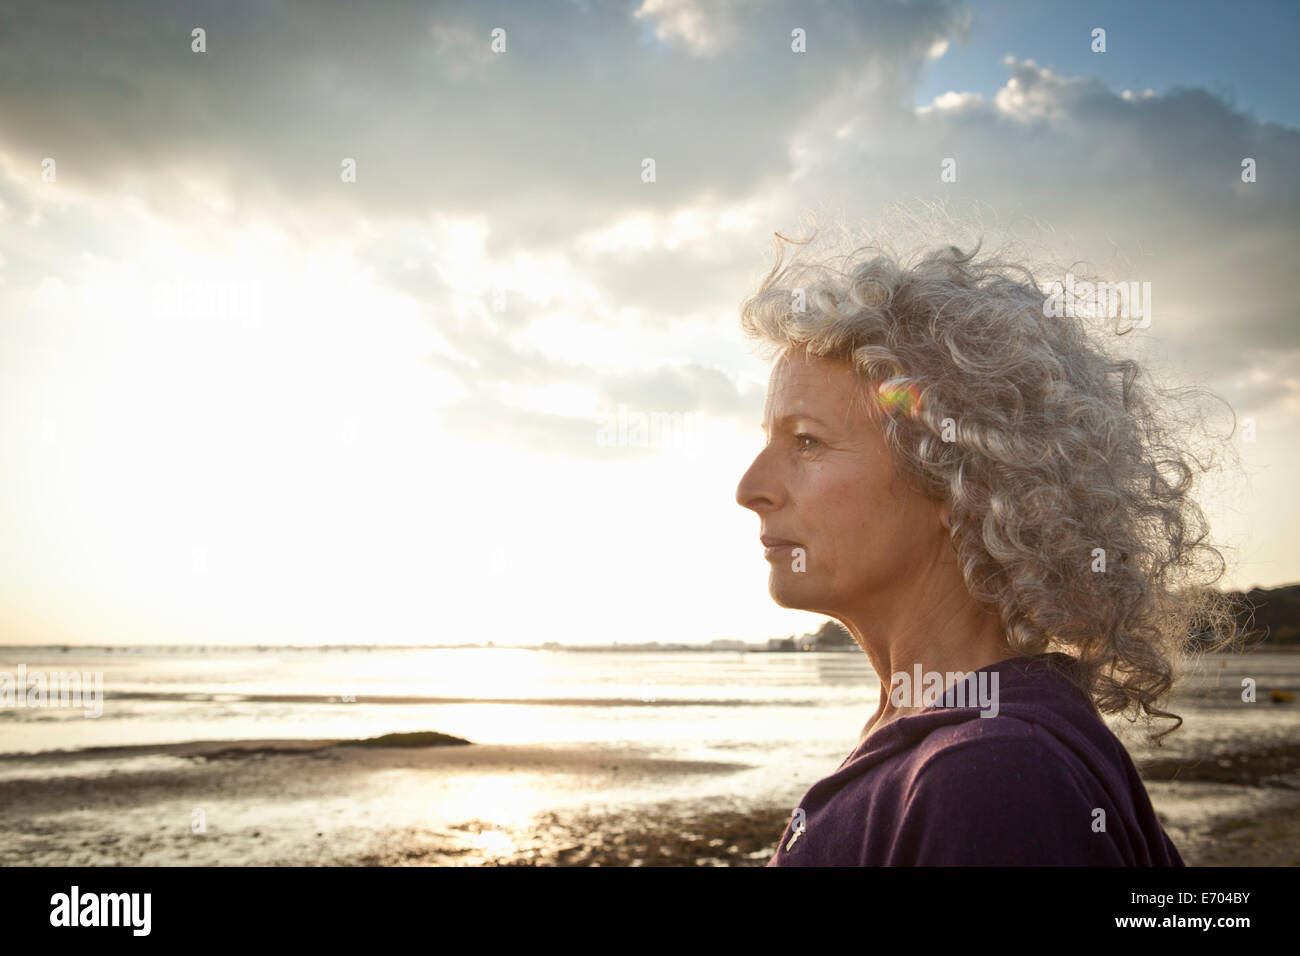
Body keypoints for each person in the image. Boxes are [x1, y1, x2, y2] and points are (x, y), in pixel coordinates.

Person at [734, 231, 1236, 866]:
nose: (750, 489)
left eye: (806, 441)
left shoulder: (988, 779)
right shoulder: (960, 745)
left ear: (956, 477)